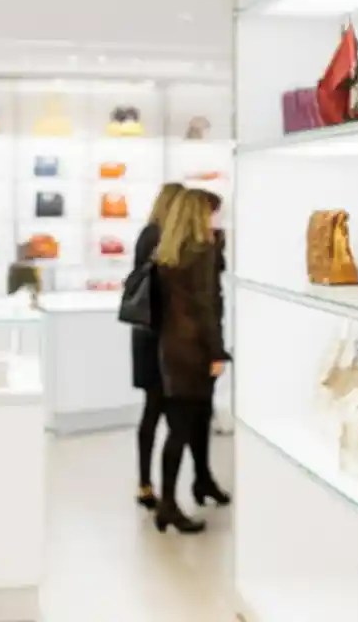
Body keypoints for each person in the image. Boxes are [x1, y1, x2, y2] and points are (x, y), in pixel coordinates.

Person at [153, 188, 231, 534]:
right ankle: (169, 504)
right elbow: (206, 307)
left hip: (172, 347)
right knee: (185, 426)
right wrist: (217, 352)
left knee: (186, 424)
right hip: (196, 350)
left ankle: (196, 484)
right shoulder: (200, 252)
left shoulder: (170, 252)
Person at [132, 182, 185, 510]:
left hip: (146, 333)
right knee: (157, 410)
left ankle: (146, 482)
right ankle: (148, 484)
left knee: (153, 410)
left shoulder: (148, 234)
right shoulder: (157, 237)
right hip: (157, 335)